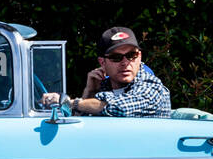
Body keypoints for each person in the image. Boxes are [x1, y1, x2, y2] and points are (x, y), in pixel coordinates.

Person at [40, 26, 171, 117]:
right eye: (116, 57)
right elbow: (80, 121)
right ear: (102, 63)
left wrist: (70, 103)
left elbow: (120, 108)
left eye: (131, 55)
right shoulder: (104, 86)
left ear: (140, 57)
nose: (125, 62)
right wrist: (90, 91)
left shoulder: (151, 86)